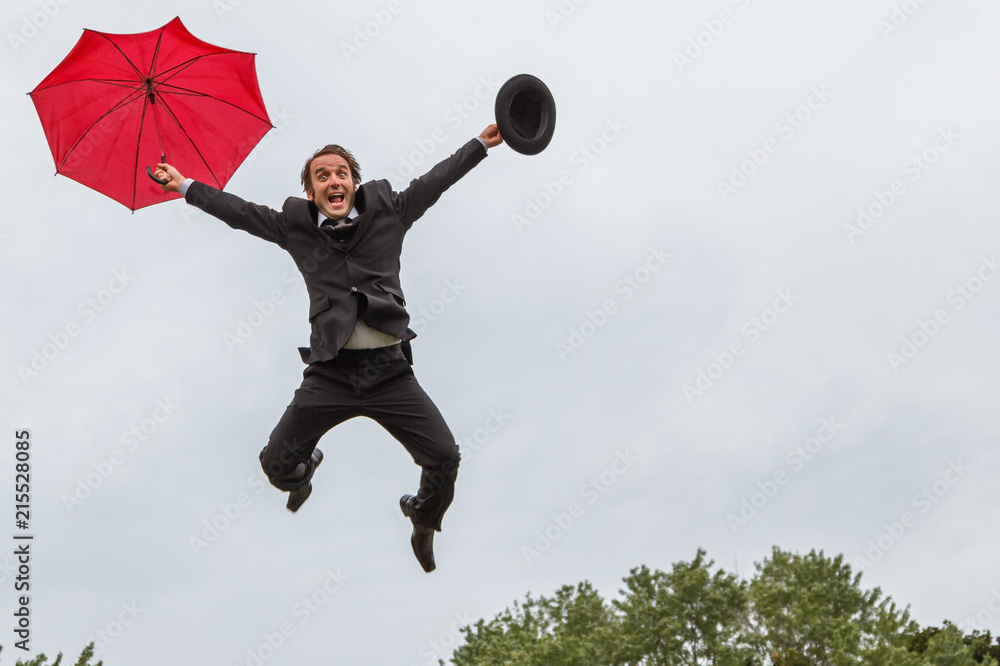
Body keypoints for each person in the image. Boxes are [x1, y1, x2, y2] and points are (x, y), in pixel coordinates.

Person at [153, 124, 503, 572]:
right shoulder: (295, 227)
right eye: (322, 176)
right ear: (310, 191)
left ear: (354, 184)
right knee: (276, 466)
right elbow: (240, 212)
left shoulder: (390, 210)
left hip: (388, 373)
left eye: (341, 174)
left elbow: (436, 180)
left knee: (446, 457)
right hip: (331, 373)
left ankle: (422, 516)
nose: (333, 181)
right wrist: (184, 185)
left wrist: (479, 144)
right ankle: (304, 472)